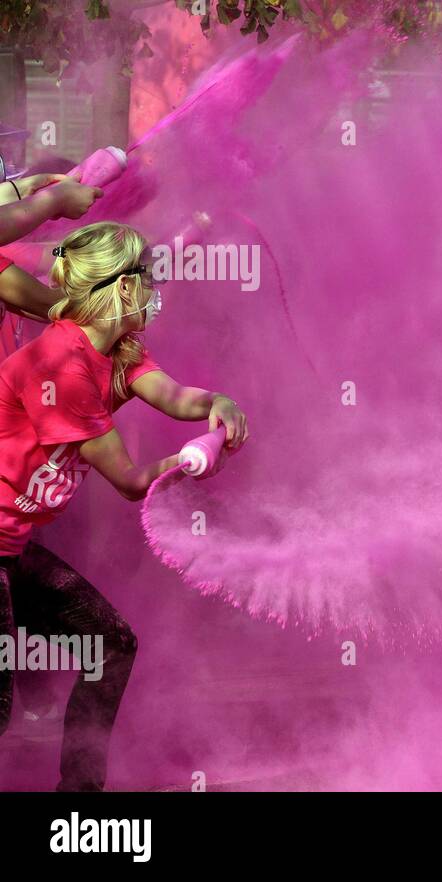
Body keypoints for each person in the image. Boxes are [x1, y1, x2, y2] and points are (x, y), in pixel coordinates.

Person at [0, 221, 248, 790]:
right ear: (119, 287)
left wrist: (220, 403)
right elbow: (134, 481)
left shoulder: (120, 348)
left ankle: (79, 803)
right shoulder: (63, 365)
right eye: (146, 274)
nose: (156, 284)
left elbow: (175, 396)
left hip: (10, 546)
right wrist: (190, 462)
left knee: (110, 645)